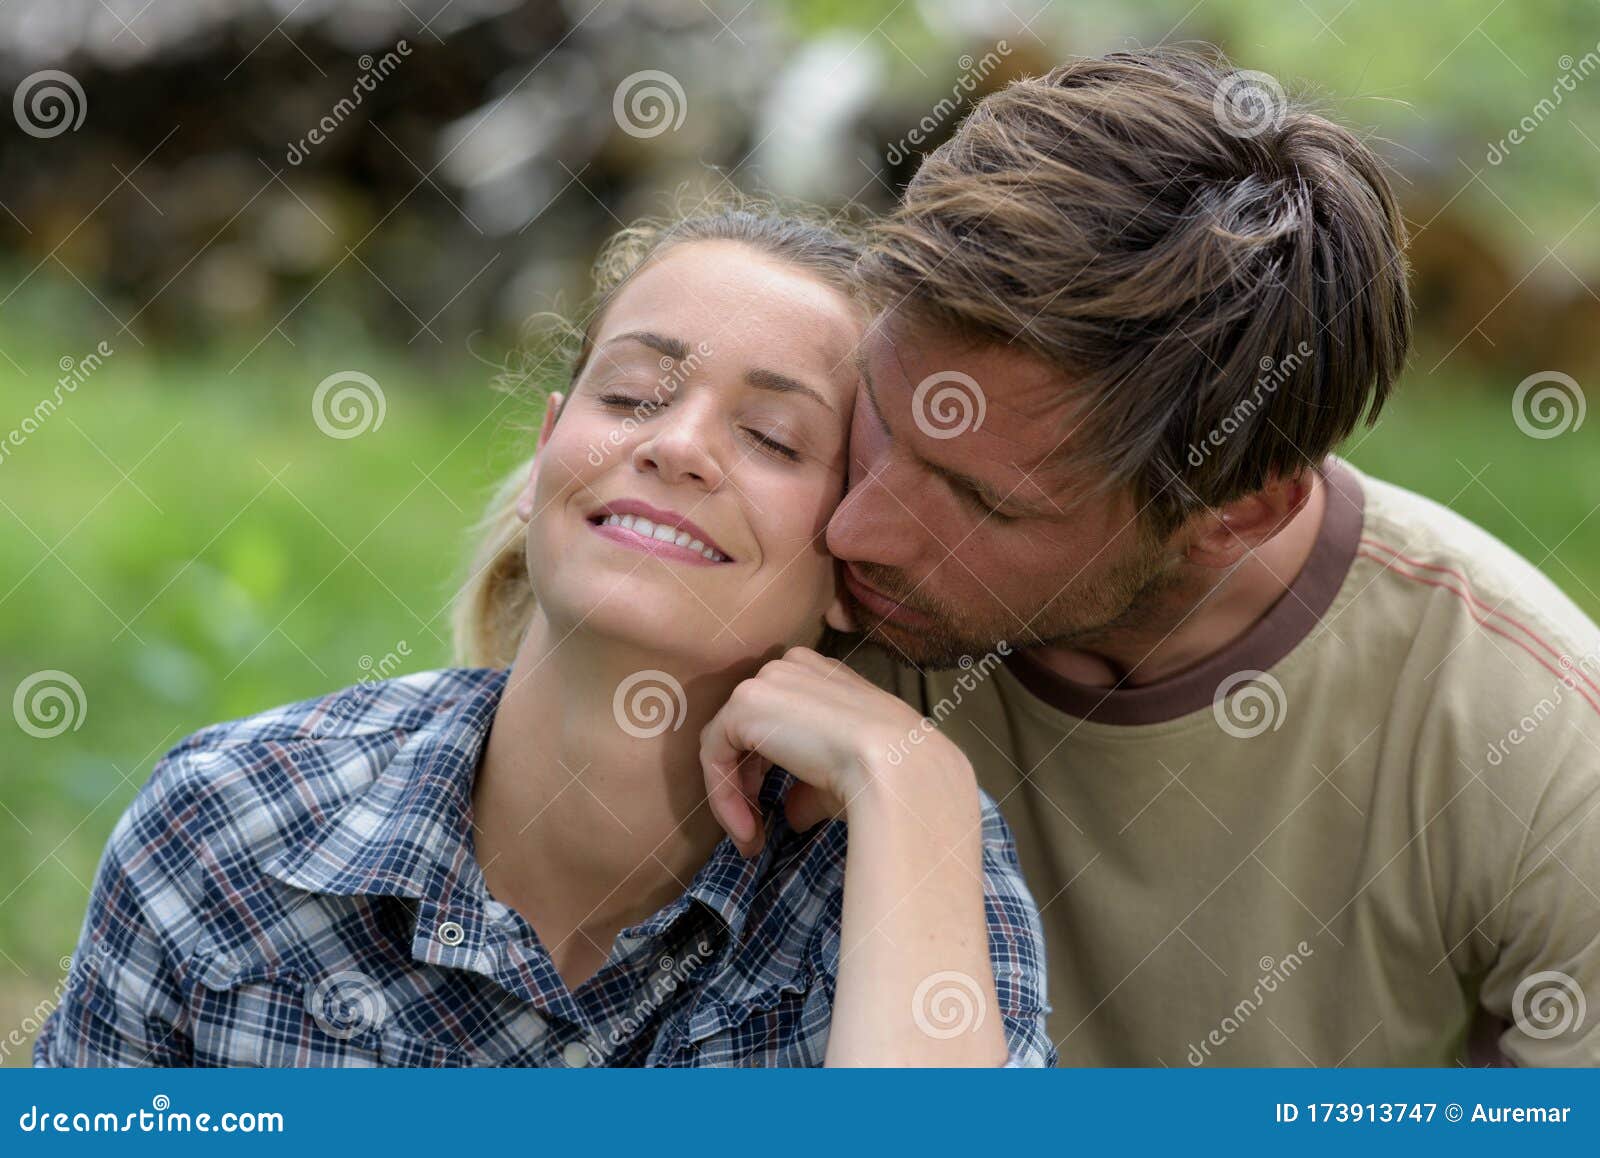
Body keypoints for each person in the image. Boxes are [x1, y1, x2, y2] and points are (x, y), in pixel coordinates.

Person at [35, 202, 1053, 1068]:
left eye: (772, 438)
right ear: (546, 454)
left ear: (851, 555)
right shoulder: (230, 827)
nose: (678, 445)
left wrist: (904, 775)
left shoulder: (912, 878)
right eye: (633, 396)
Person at [827, 47, 1600, 1066]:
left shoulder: (1535, 747)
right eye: (879, 418)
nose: (851, 532)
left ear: (1241, 513)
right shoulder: (718, 523)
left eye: (982, 503)